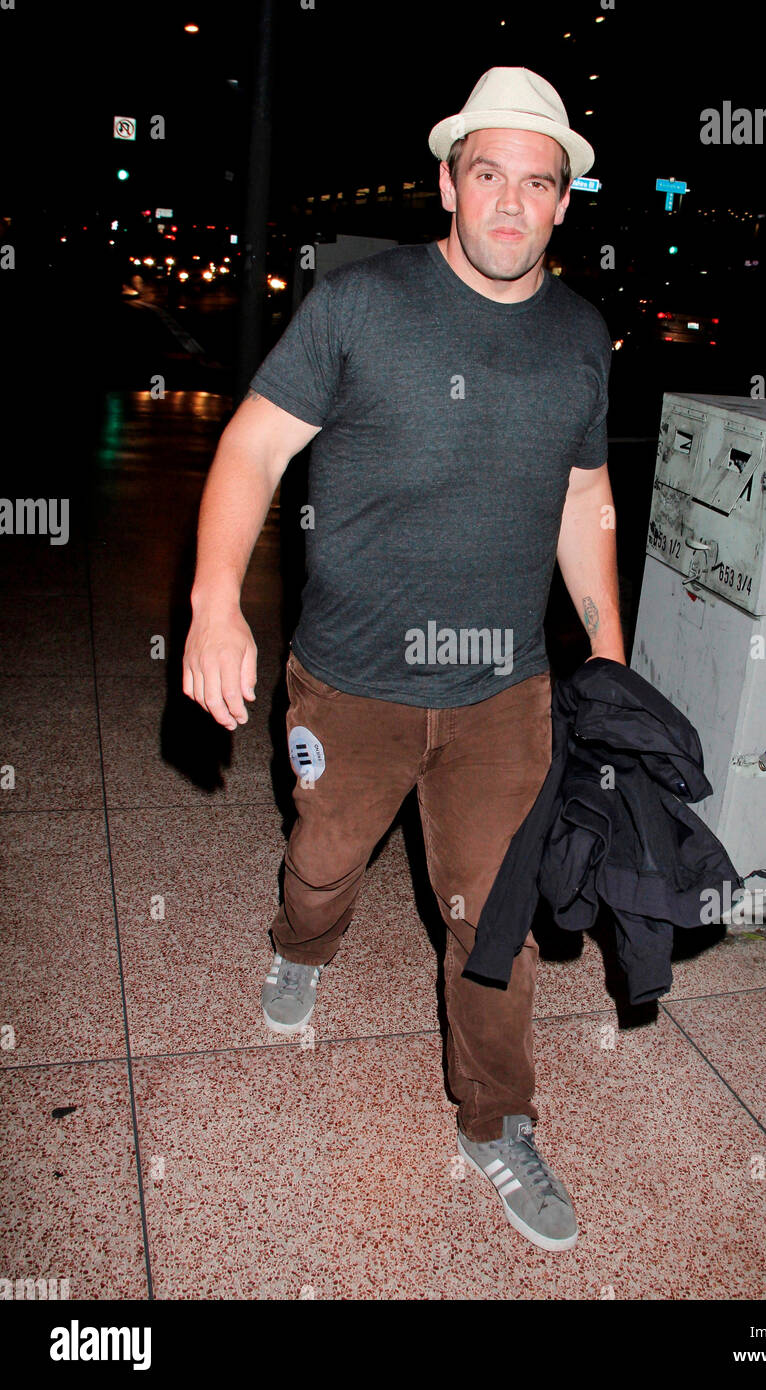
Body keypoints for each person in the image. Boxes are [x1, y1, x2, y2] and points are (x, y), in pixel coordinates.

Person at [182, 67, 626, 1253]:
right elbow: (252, 446)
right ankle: (302, 945)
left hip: (504, 698)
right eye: (490, 175)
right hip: (351, 684)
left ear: (564, 201)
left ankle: (497, 1121)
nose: (512, 204)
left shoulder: (584, 336)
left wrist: (612, 658)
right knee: (324, 861)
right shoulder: (357, 305)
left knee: (496, 924)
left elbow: (587, 498)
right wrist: (215, 599)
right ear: (448, 181)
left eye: (540, 183)